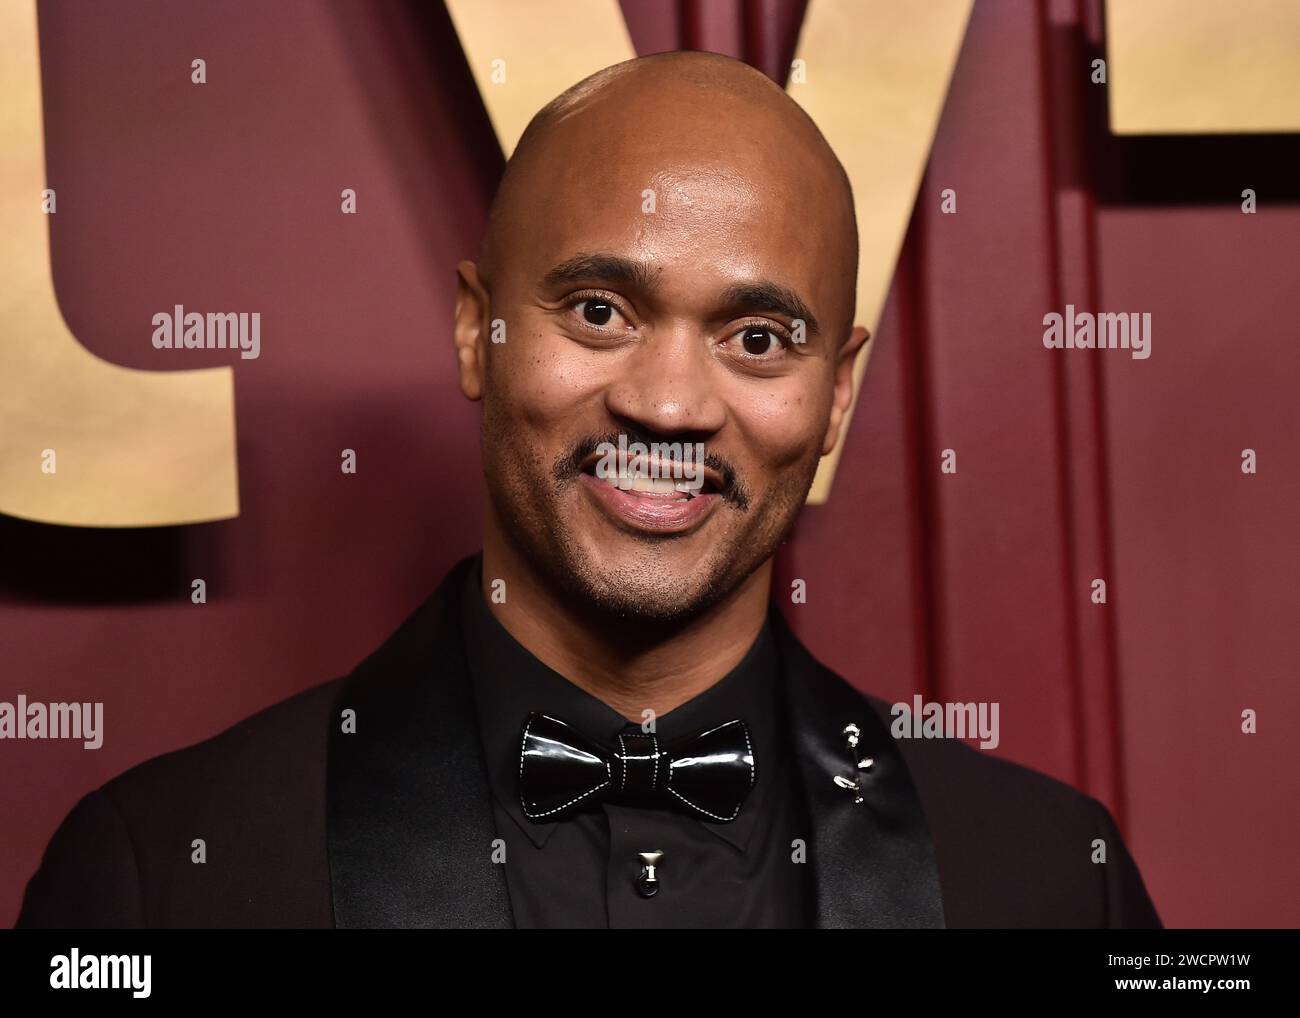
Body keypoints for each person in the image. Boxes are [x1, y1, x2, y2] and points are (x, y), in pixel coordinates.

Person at [17, 51, 1160, 929]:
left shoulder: (1051, 878)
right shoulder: (163, 874)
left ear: (837, 395)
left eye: (757, 337)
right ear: (479, 332)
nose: (668, 406)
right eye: (601, 312)